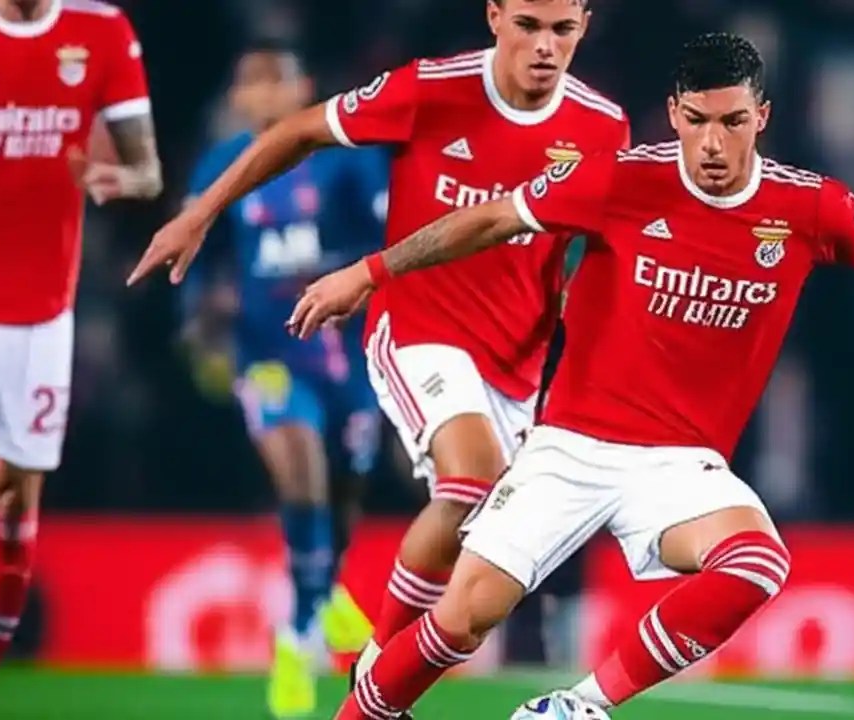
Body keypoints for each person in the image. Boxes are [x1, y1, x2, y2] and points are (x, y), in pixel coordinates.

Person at [286, 32, 854, 720]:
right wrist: (370, 272)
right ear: (674, 114)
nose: (714, 144)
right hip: (570, 447)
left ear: (763, 117)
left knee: (756, 562)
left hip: (681, 465)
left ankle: (577, 706)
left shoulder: (807, 207)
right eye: (697, 121)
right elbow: (492, 220)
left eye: (732, 122)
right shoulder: (622, 179)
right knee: (463, 621)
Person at [129, 0, 630, 679]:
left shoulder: (602, 125)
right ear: (494, 17)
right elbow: (299, 133)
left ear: (585, 26)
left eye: (562, 30)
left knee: (477, 532)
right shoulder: (431, 87)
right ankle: (370, 667)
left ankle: (373, 677)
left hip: (517, 358)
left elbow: (599, 243)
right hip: (419, 329)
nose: (545, 46)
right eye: (528, 26)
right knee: (470, 482)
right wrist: (200, 215)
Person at [0, 1, 161, 718]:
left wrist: (121, 182)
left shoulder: (102, 31)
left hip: (42, 317)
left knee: (11, 514)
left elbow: (149, 170)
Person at [182, 39, 388, 719]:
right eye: (251, 81)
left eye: (276, 79)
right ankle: (300, 636)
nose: (263, 92)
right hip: (267, 354)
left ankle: (318, 597)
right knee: (299, 468)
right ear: (238, 97)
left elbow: (391, 235)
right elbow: (197, 253)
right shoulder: (222, 165)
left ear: (303, 89)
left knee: (345, 489)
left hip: (349, 353)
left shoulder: (346, 161)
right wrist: (200, 324)